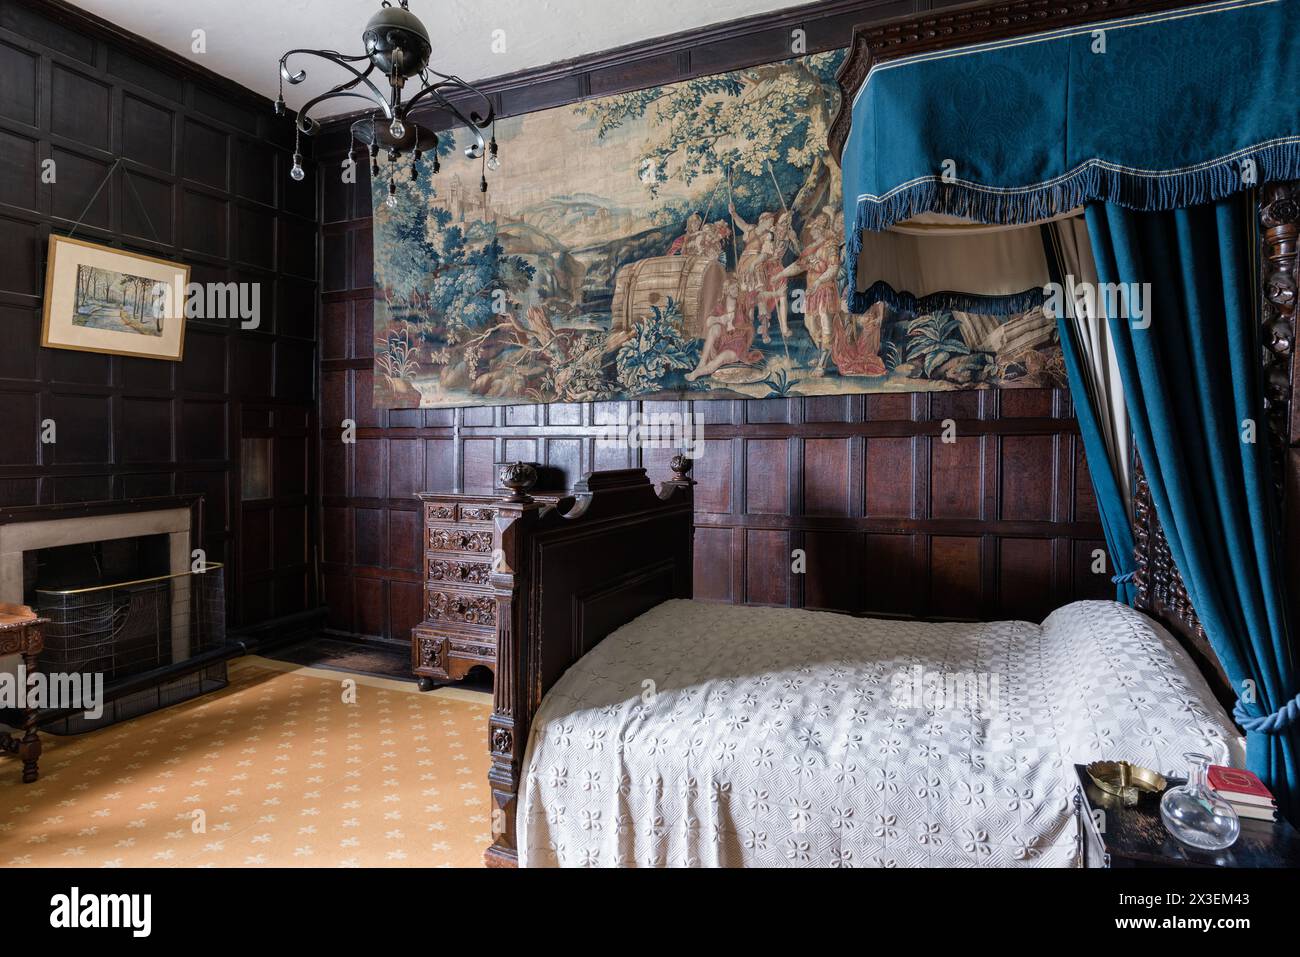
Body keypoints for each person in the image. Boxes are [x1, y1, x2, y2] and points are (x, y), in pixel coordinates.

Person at [685, 275, 762, 381]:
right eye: (733, 288)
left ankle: (696, 373)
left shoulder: (741, 304)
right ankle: (702, 362)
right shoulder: (721, 306)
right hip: (723, 341)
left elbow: (751, 298)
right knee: (714, 327)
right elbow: (708, 322)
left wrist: (752, 289)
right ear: (726, 291)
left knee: (718, 361)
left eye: (737, 288)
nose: (736, 290)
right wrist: (720, 319)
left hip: (737, 344)